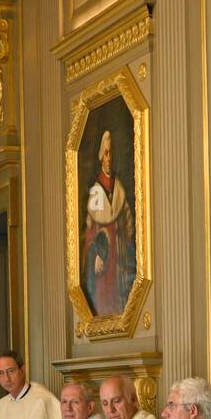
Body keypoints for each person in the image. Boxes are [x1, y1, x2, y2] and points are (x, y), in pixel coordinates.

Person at [82, 130, 136, 316]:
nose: (109, 158)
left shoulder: (118, 188)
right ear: (101, 157)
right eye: (106, 154)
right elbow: (90, 231)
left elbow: (129, 223)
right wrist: (97, 253)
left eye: (111, 153)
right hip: (104, 259)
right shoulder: (96, 191)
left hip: (119, 256)